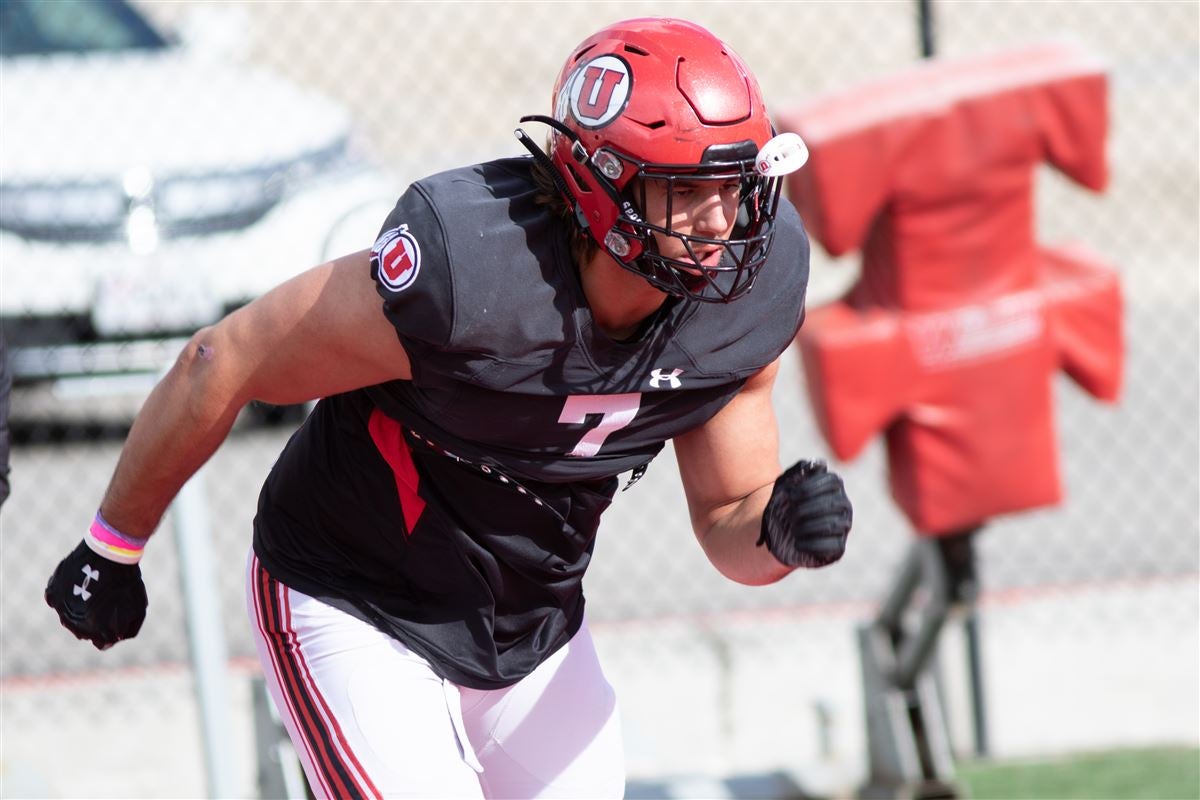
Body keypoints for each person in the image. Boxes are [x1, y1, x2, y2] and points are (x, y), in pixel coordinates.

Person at [45, 16, 852, 799]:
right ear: (605, 188)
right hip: (356, 598)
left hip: (529, 625)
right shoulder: (472, 275)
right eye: (689, 190)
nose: (723, 222)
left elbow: (728, 520)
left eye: (736, 183)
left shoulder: (752, 289)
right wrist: (112, 545)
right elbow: (224, 359)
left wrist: (776, 531)